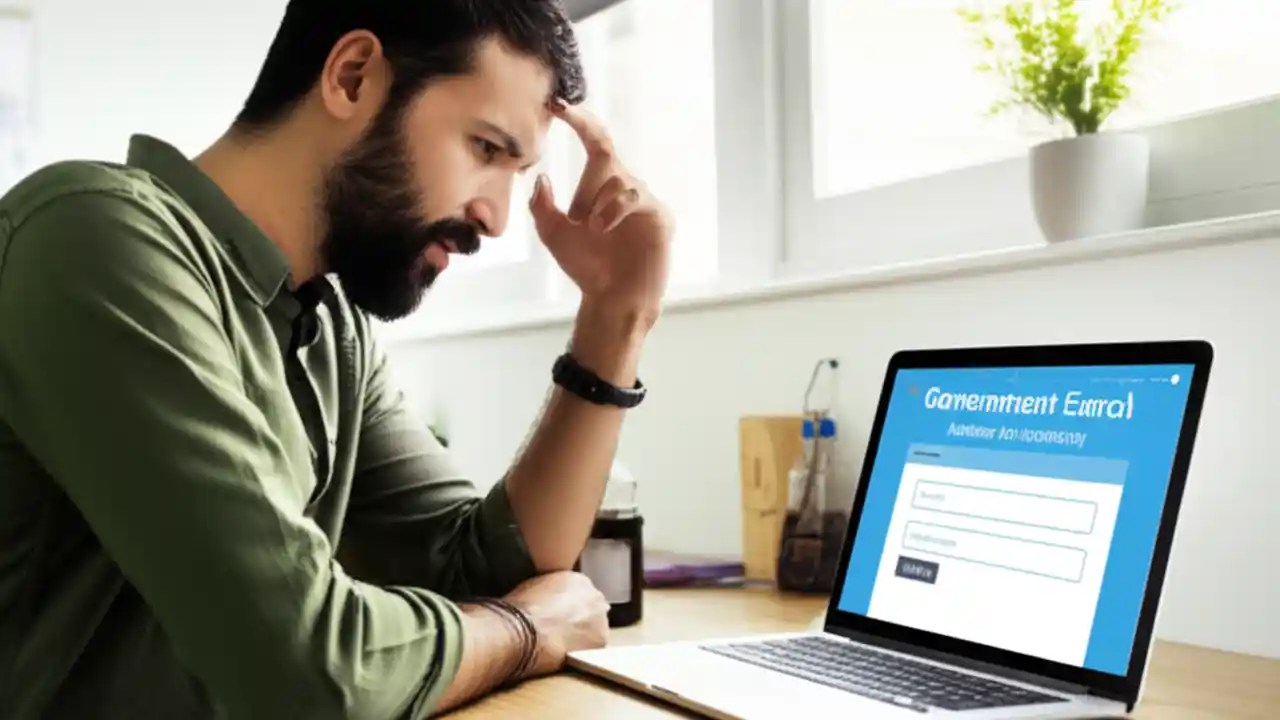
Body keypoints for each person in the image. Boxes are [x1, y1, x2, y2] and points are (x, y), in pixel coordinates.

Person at [0, 1, 672, 718]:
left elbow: (484, 571)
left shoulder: (330, 327)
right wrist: (527, 631)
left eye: (519, 170)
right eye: (484, 149)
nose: (497, 218)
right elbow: (309, 671)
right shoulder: (93, 240)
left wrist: (615, 319)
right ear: (352, 77)